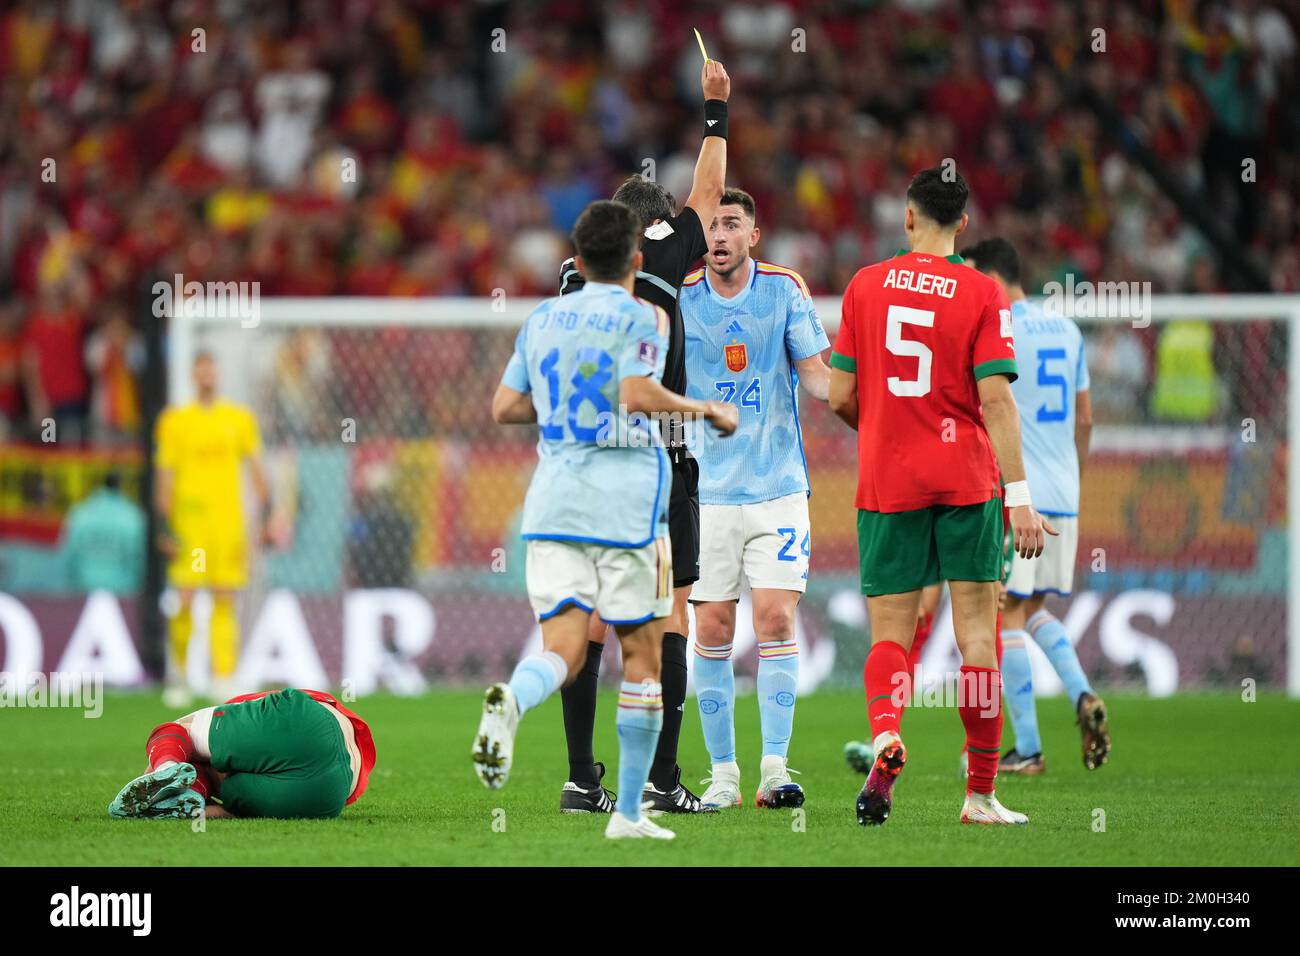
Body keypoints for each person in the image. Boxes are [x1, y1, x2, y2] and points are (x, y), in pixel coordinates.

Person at [472, 199, 737, 841]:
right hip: (626, 508)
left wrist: (568, 409)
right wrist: (702, 408)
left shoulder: (541, 320)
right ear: (636, 260)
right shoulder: (642, 314)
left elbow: (506, 407)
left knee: (563, 649)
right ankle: (629, 815)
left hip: (553, 504)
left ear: (577, 257)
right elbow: (634, 391)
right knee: (643, 651)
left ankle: (512, 698)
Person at [828, 167, 1054, 827]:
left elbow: (841, 395)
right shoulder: (983, 292)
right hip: (965, 480)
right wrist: (1019, 495)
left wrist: (881, 431)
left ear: (906, 218)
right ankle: (980, 795)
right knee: (977, 634)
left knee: (892, 633)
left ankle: (886, 734)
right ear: (963, 225)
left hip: (888, 482)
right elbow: (997, 398)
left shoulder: (865, 286)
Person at [552, 58, 732, 815]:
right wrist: (717, 112)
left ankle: (578, 778)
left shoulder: (570, 277)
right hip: (661, 454)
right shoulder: (664, 249)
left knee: (590, 616)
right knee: (671, 612)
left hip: (583, 462)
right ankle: (662, 779)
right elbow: (711, 194)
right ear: (653, 228)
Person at [679, 188, 830, 810]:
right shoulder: (683, 296)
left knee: (774, 618)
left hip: (777, 489)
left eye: (730, 224)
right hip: (706, 492)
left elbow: (817, 376)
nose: (717, 234)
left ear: (752, 234)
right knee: (712, 628)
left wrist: (858, 394)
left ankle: (774, 768)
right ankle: (723, 776)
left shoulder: (783, 290)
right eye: (711, 224)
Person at [962, 236, 1110, 774]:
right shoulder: (1068, 330)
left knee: (1005, 615)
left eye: (974, 276)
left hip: (1016, 492)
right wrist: (1072, 477)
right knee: (1035, 608)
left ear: (993, 280)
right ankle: (1083, 694)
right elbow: (1086, 418)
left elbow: (990, 408)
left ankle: (1027, 747)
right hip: (1064, 489)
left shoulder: (995, 329)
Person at [154, 352, 269, 706]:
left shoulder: (238, 419)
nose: (207, 375)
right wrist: (163, 523)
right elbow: (165, 474)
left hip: (228, 524)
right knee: (185, 598)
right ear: (192, 374)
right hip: (190, 524)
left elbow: (255, 470)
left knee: (224, 597)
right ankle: (181, 676)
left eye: (211, 368)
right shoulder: (175, 421)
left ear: (218, 374)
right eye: (200, 369)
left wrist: (267, 514)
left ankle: (223, 676)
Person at [108, 687, 376, 820]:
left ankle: (168, 769)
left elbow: (177, 728)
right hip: (329, 795)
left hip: (314, 740)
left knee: (180, 732)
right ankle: (183, 791)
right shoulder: (245, 724)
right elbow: (226, 812)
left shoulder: (234, 709)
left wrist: (157, 763)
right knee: (210, 773)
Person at [60, 472, 146, 595]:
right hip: (124, 594)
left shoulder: (80, 513)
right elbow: (140, 561)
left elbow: (67, 557)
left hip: (83, 590)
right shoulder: (133, 516)